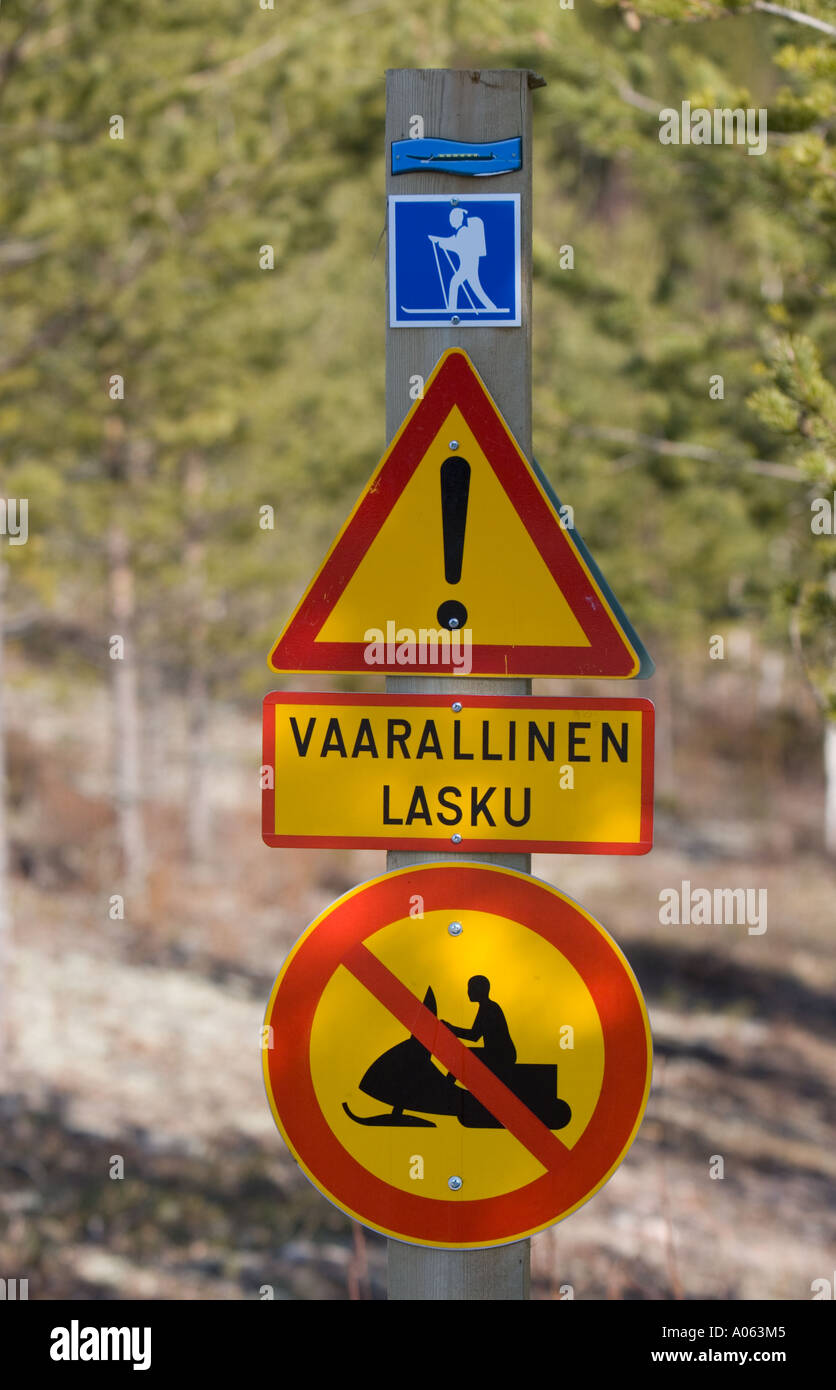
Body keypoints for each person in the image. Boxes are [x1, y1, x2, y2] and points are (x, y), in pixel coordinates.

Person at [443, 975, 516, 1077]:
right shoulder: (486, 1007)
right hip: (498, 1053)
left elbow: (474, 1036)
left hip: (501, 1055)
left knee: (463, 1055)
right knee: (464, 1056)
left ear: (481, 990)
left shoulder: (489, 1008)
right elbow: (475, 1034)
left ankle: (448, 1083)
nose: (468, 991)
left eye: (471, 988)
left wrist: (451, 1029)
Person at [430, 208, 497, 311]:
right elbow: (452, 240)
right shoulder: (461, 232)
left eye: (451, 218)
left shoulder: (463, 232)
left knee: (454, 283)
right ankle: (492, 308)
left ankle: (452, 309)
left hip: (468, 266)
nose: (450, 221)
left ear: (457, 219)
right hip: (469, 265)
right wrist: (438, 240)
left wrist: (441, 243)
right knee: (476, 288)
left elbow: (457, 245)